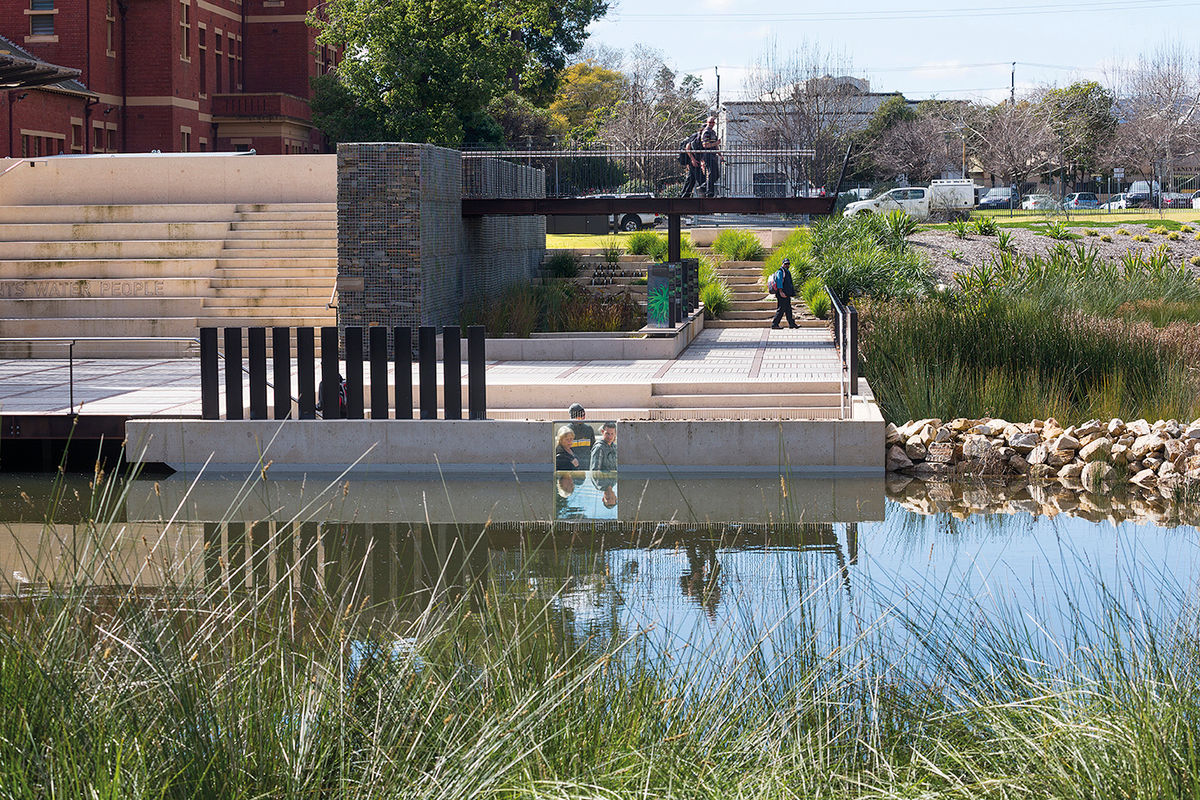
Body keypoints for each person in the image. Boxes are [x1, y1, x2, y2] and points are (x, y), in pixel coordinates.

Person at [769, 257, 799, 329]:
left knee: (788, 309)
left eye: (788, 264)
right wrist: (781, 291)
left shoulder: (786, 271)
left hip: (786, 293)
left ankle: (791, 324)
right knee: (781, 309)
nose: (787, 265)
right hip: (782, 293)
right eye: (785, 264)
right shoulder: (780, 271)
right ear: (782, 264)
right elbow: (779, 281)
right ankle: (774, 324)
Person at [678, 128, 704, 198]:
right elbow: (687, 147)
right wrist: (692, 159)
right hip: (693, 159)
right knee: (700, 178)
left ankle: (684, 195)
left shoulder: (702, 137)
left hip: (695, 159)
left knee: (691, 178)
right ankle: (705, 191)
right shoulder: (696, 136)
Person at [699, 124, 721, 198]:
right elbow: (705, 145)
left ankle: (703, 186)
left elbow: (716, 146)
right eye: (710, 122)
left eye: (713, 122)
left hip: (714, 155)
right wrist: (716, 143)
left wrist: (720, 155)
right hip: (708, 155)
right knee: (711, 173)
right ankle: (709, 192)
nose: (712, 124)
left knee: (716, 175)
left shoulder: (713, 132)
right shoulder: (706, 132)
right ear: (708, 122)